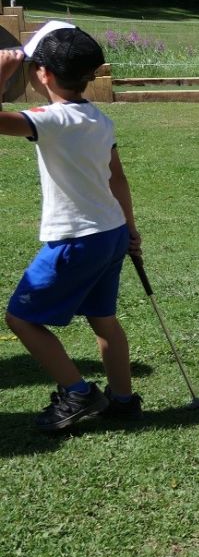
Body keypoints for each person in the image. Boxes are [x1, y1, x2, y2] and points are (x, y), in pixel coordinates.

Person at [0, 24, 143, 431]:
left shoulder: (50, 120)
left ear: (42, 73)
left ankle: (78, 392)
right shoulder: (100, 119)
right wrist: (130, 229)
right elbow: (118, 178)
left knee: (21, 319)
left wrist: (3, 72)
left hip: (75, 241)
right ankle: (123, 400)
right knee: (103, 319)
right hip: (111, 232)